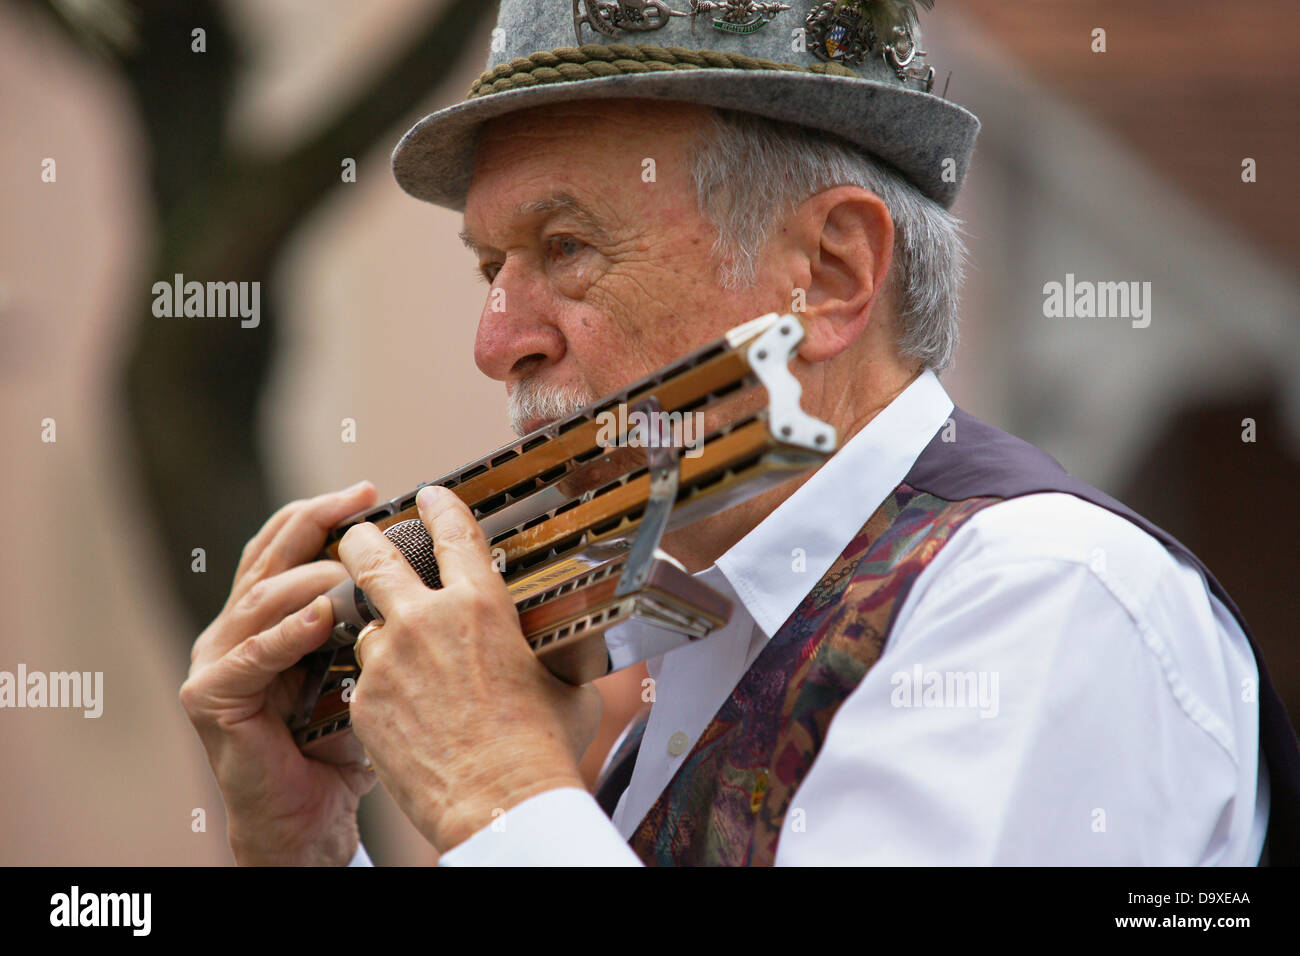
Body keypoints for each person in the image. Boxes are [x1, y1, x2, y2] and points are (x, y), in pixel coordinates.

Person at [180, 0, 1299, 865]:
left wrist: (495, 785)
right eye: (490, 269)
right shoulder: (706, 647)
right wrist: (312, 849)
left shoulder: (1044, 600)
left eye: (565, 246)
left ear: (827, 273)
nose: (498, 338)